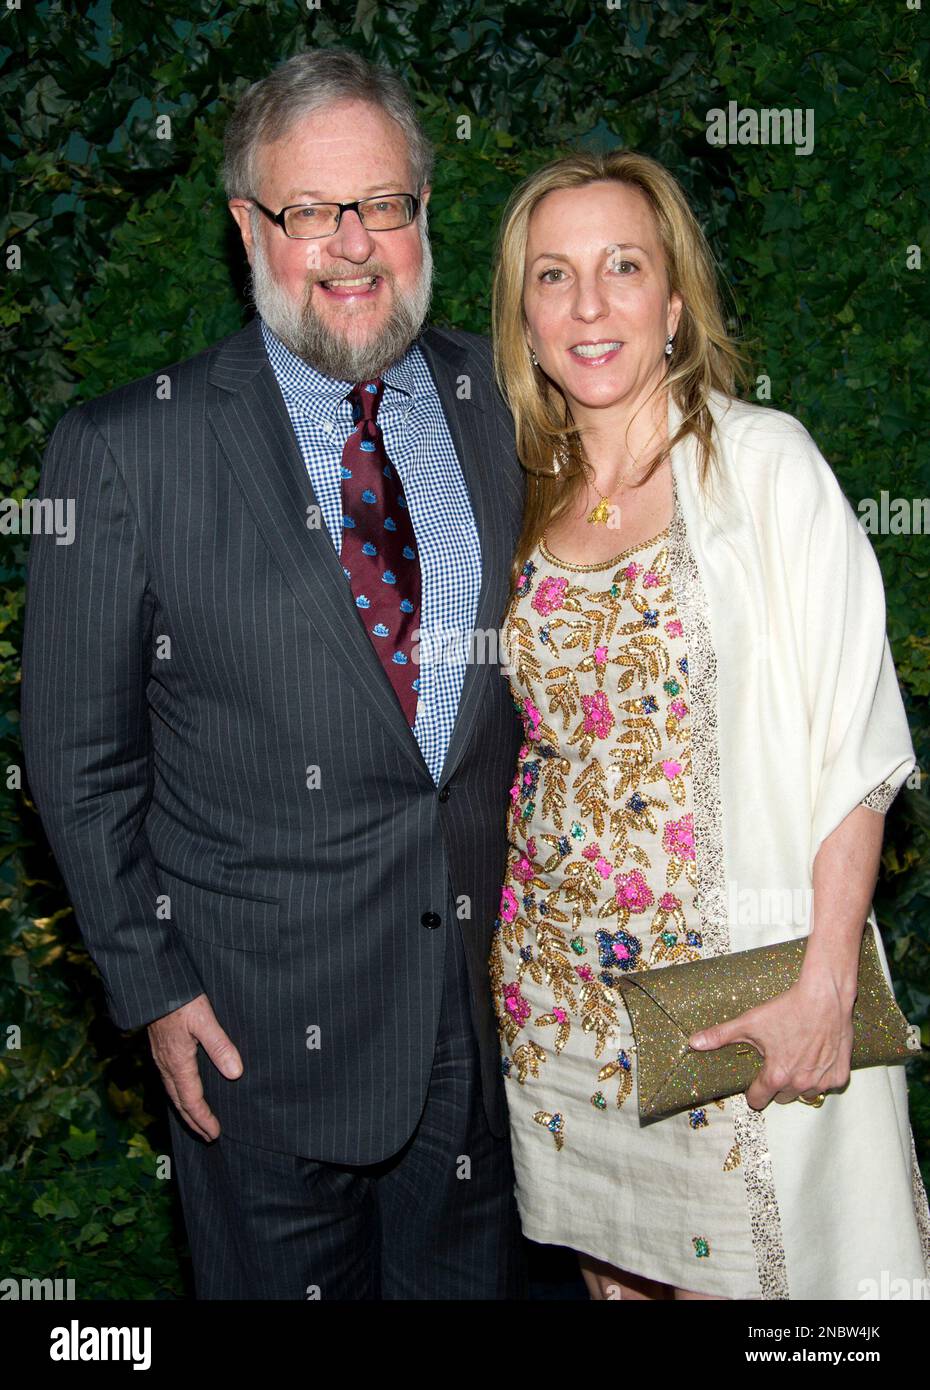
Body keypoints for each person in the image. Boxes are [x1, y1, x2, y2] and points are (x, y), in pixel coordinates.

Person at [20, 48, 528, 1300]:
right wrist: (150, 986)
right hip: (257, 1046)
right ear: (250, 225)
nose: (353, 245)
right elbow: (75, 763)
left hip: (494, 1031)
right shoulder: (124, 451)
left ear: (425, 213)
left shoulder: (509, 402)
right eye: (312, 210)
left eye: (386, 205)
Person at [487, 147, 930, 1300]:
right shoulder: (517, 498)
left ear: (673, 304)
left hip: (732, 1001)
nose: (589, 306)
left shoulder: (767, 469)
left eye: (622, 267)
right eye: (553, 276)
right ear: (523, 321)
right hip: (558, 1004)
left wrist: (830, 979)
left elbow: (860, 743)